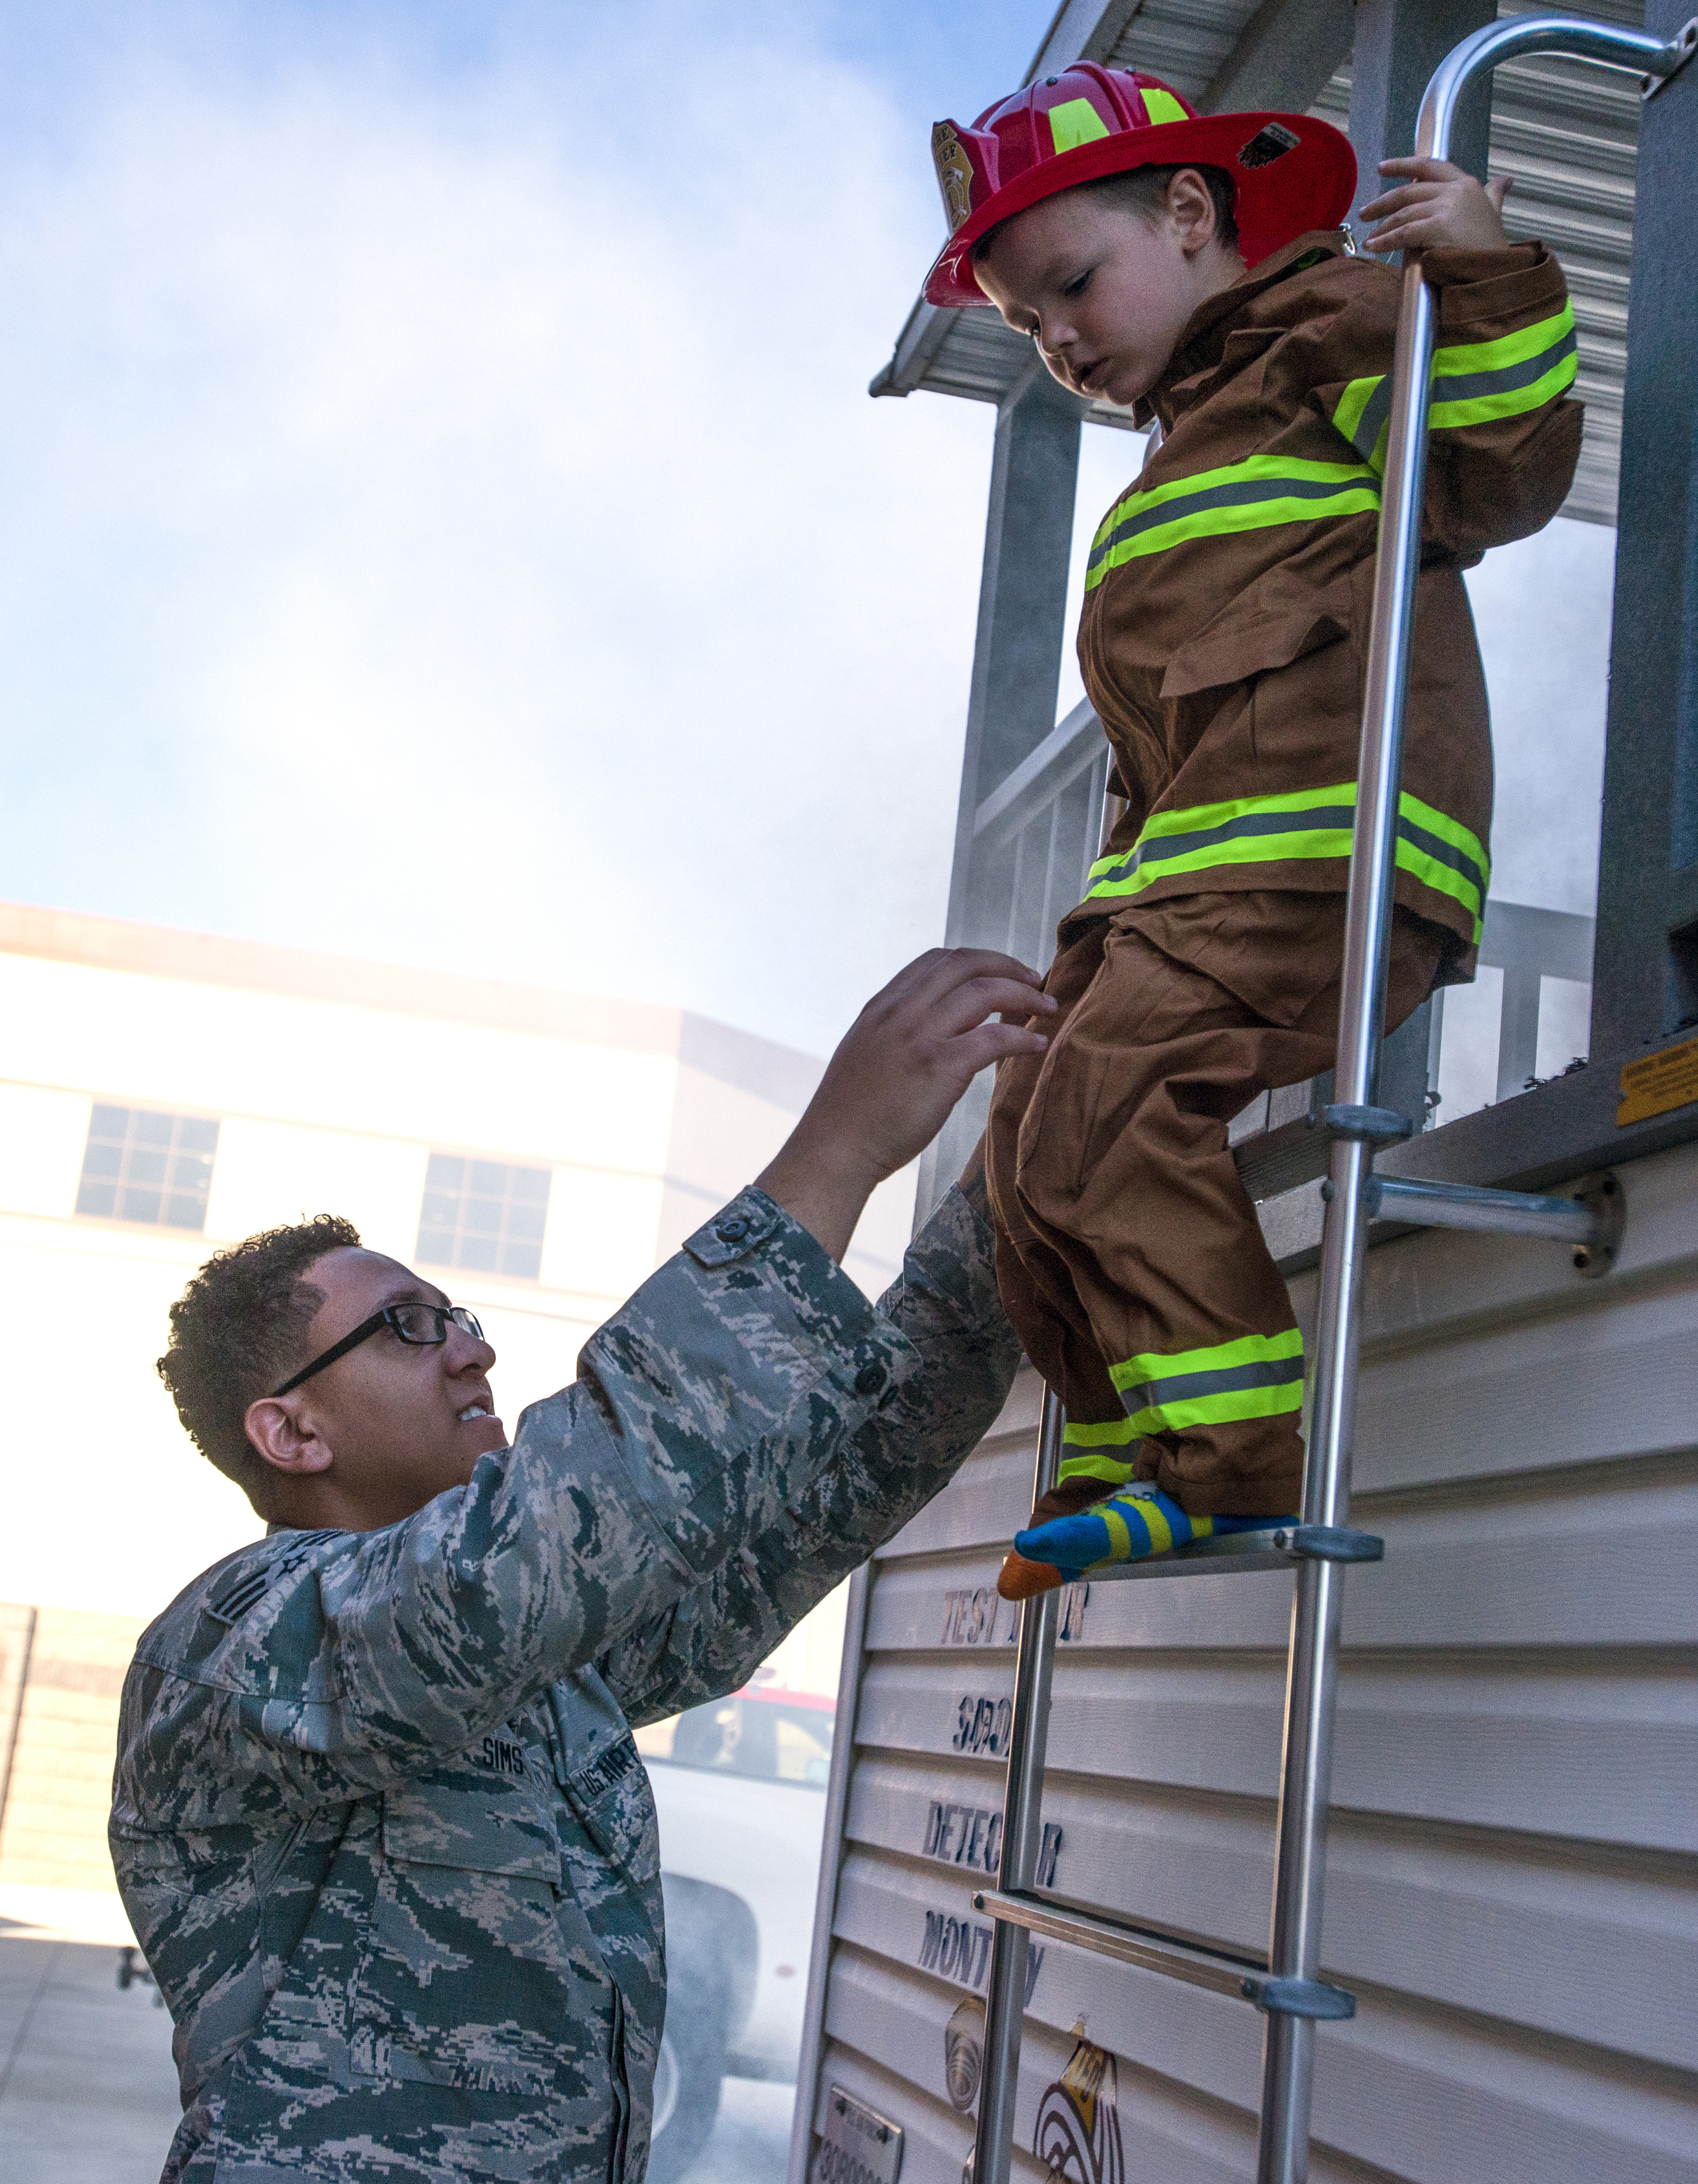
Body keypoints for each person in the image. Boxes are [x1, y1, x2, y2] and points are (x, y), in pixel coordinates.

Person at [109, 946, 1055, 2184]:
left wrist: (1026, 1150)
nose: (470, 1352)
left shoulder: (546, 1654)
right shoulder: (237, 1644)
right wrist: (835, 1153)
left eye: (462, 1318)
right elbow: (568, 1515)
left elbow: (836, 1473)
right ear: (291, 1430)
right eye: (407, 1326)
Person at [921, 63, 1581, 1598]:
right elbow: (1158, 750)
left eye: (1074, 285)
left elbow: (1498, 467)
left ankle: (1229, 1466)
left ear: (1191, 210)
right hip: (1180, 883)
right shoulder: (1177, 462)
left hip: (1318, 857)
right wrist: (1095, 927)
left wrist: (1482, 270)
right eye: (1029, 327)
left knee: (1103, 1109)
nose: (1063, 338)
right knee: (1026, 1139)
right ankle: (1116, 1436)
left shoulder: (1327, 328)